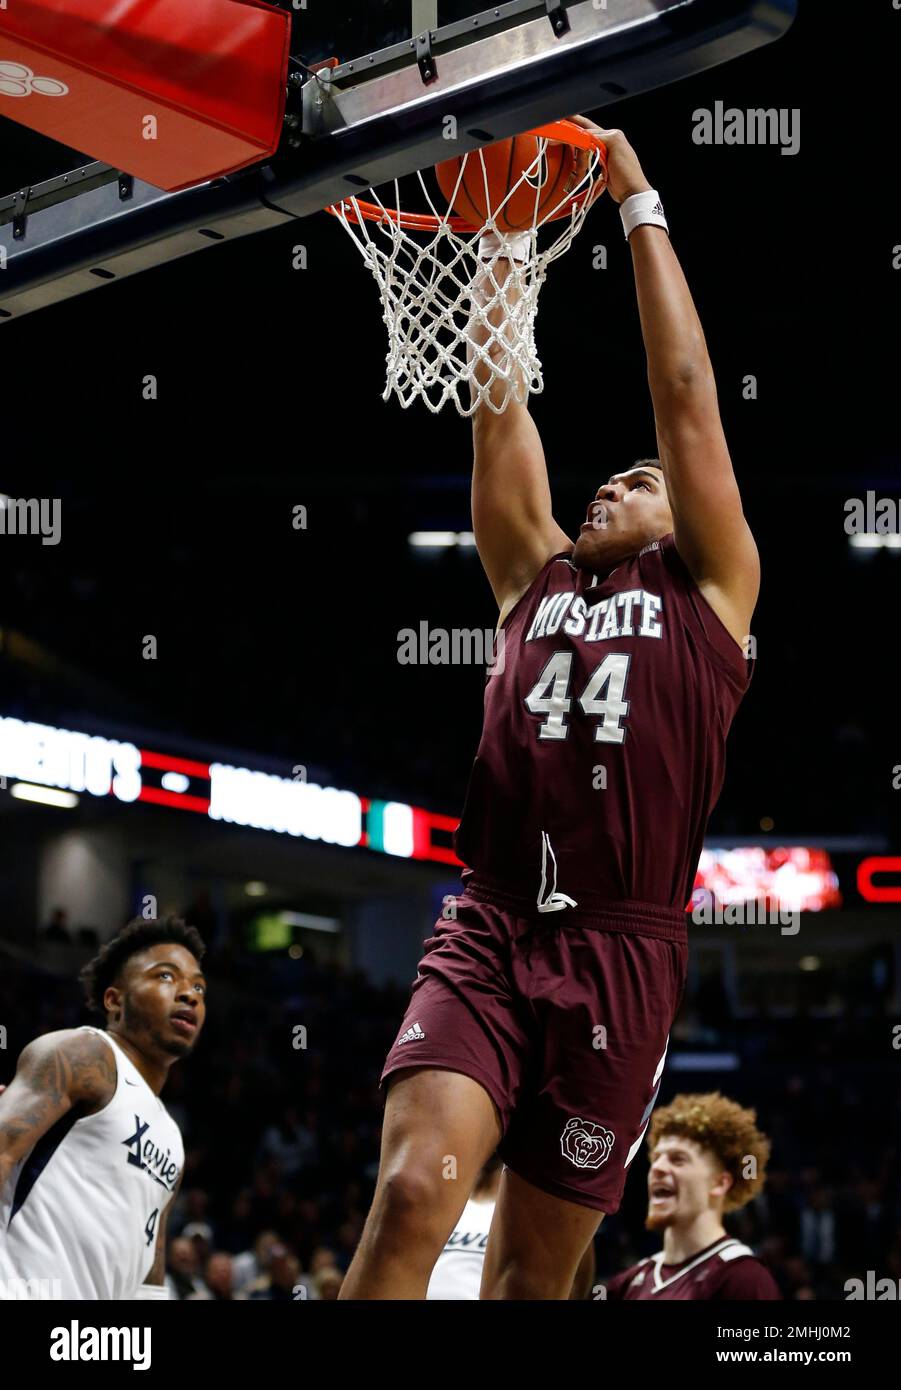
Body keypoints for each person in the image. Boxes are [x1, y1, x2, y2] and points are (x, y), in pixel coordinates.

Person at [340, 118, 759, 1301]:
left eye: (636, 481)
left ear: (684, 516)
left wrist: (635, 200)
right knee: (415, 1193)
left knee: (530, 1281)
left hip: (622, 949)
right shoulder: (534, 577)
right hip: (490, 923)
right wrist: (505, 236)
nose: (608, 483)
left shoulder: (712, 590)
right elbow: (496, 402)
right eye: (606, 474)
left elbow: (683, 394)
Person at [0, 916, 206, 1300]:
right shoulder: (83, 1054)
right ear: (114, 1000)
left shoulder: (172, 1136)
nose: (189, 994)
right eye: (166, 976)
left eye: (198, 986)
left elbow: (150, 1272)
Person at [604, 1092, 781, 1300]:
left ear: (719, 1183)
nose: (658, 1168)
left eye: (678, 1160)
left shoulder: (744, 1280)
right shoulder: (626, 1284)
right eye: (657, 1158)